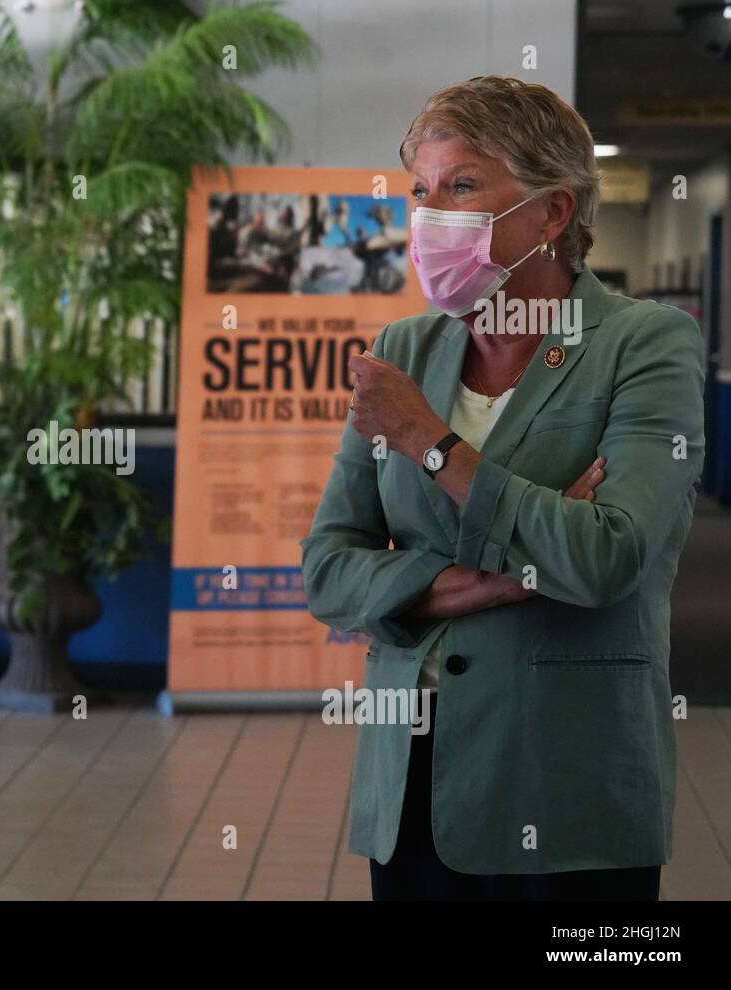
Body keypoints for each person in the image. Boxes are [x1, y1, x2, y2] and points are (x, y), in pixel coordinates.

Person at [299, 76, 705, 901]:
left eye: (461, 185)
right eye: (420, 190)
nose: (427, 216)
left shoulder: (645, 344)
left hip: (566, 793)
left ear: (553, 213)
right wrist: (498, 581)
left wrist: (429, 442)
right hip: (409, 782)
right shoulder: (404, 348)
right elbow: (327, 569)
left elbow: (607, 558)